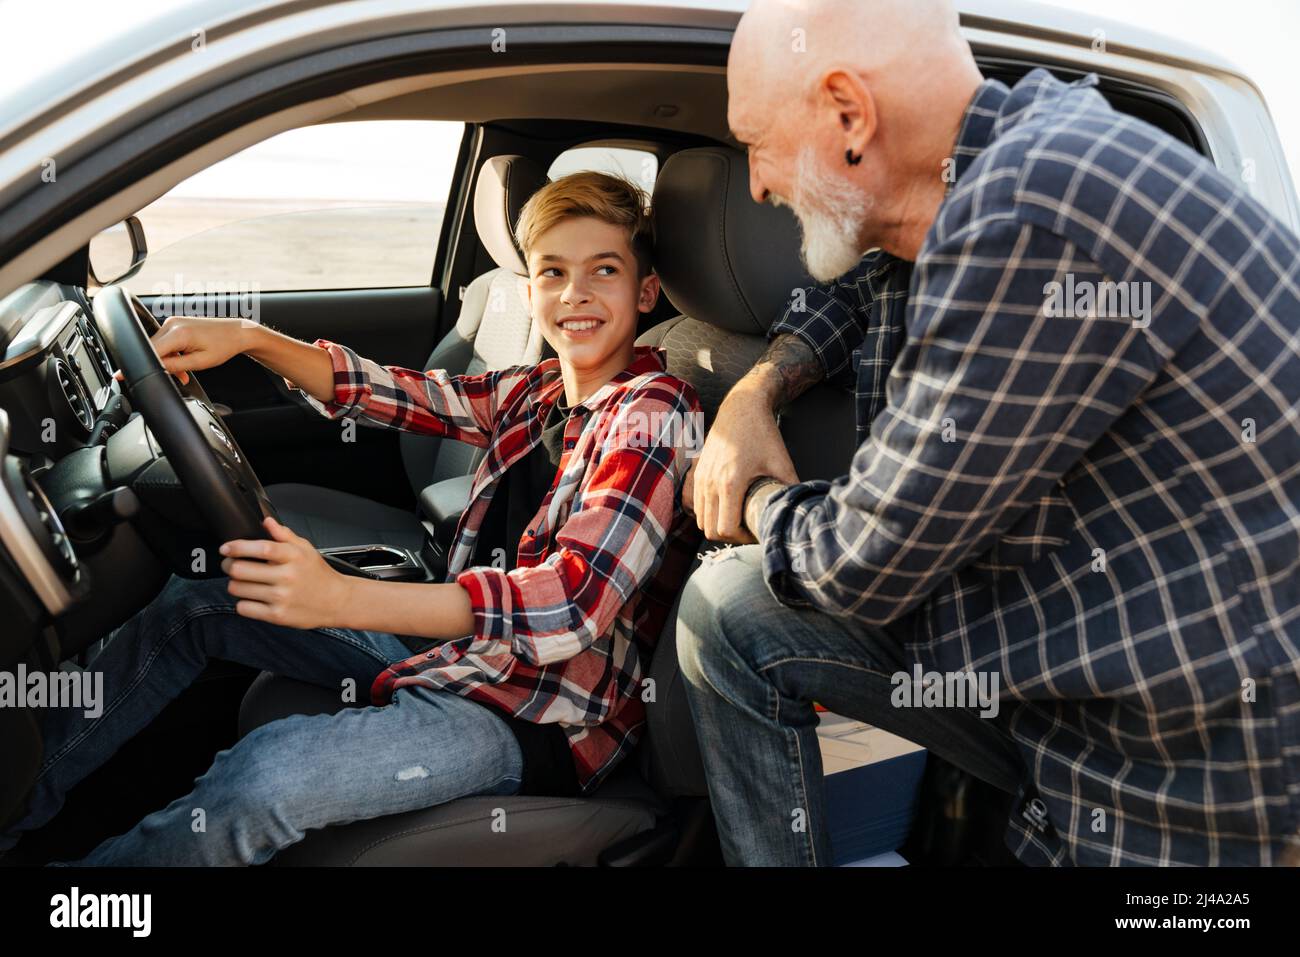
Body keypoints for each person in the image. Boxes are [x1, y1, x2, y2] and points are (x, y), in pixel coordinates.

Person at [677, 0, 1300, 866]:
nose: (755, 182)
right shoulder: (965, 180)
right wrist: (753, 394)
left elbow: (861, 561)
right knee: (731, 611)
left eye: (758, 141)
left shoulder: (1035, 212)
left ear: (850, 115)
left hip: (1186, 785)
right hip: (1054, 678)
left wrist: (749, 496)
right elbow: (846, 292)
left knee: (735, 594)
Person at [2, 170, 702, 865]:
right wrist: (250, 338)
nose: (574, 293)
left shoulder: (653, 408)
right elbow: (399, 395)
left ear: (644, 291)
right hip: (460, 657)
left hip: (534, 714)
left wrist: (338, 597)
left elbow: (574, 600)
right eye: (553, 272)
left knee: (268, 773)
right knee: (196, 601)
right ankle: (16, 808)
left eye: (602, 270)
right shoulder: (536, 391)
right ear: (530, 292)